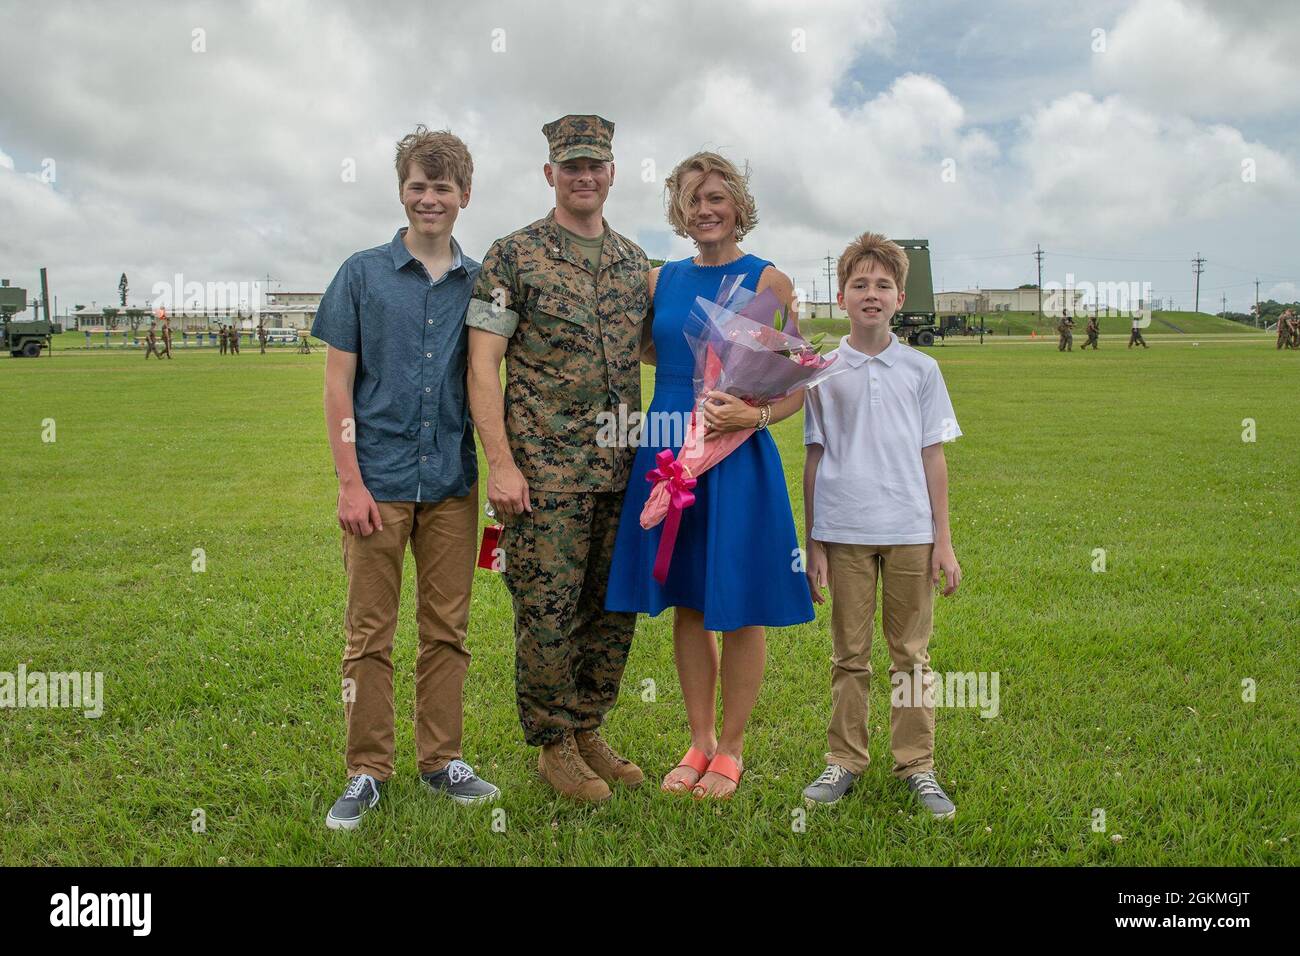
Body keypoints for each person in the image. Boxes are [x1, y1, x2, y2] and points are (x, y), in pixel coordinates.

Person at [605, 151, 813, 800]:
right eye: (693, 198)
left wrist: (753, 417)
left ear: (737, 206)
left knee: (741, 604)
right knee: (688, 602)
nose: (705, 208)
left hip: (737, 456)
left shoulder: (769, 281)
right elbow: (644, 349)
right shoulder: (658, 280)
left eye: (717, 197)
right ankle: (697, 741)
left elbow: (798, 381)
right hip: (669, 451)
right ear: (679, 208)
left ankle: (731, 749)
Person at [313, 126, 498, 831]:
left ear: (464, 196)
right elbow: (338, 387)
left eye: (442, 187)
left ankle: (441, 760)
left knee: (447, 631)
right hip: (379, 481)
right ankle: (366, 770)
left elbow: (489, 378)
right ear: (401, 191)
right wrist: (348, 482)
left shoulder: (481, 283)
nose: (429, 199)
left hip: (451, 482)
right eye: (418, 186)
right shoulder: (361, 274)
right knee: (369, 635)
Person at [467, 115, 650, 803]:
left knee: (611, 609)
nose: (583, 176)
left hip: (624, 474)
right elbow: (482, 363)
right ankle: (553, 745)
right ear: (550, 174)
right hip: (544, 475)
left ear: (611, 172)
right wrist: (503, 463)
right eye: (570, 165)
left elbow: (659, 346)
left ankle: (588, 728)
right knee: (547, 612)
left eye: (595, 165)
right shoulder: (514, 255)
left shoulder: (634, 263)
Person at [800, 232, 962, 819]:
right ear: (841, 296)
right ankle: (844, 759)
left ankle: (917, 765)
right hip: (844, 531)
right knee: (849, 656)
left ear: (900, 298)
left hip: (911, 532)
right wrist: (813, 542)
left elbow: (933, 457)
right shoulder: (821, 370)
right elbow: (814, 457)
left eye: (884, 285)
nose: (872, 294)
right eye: (860, 284)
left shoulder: (922, 368)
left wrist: (943, 540)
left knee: (911, 655)